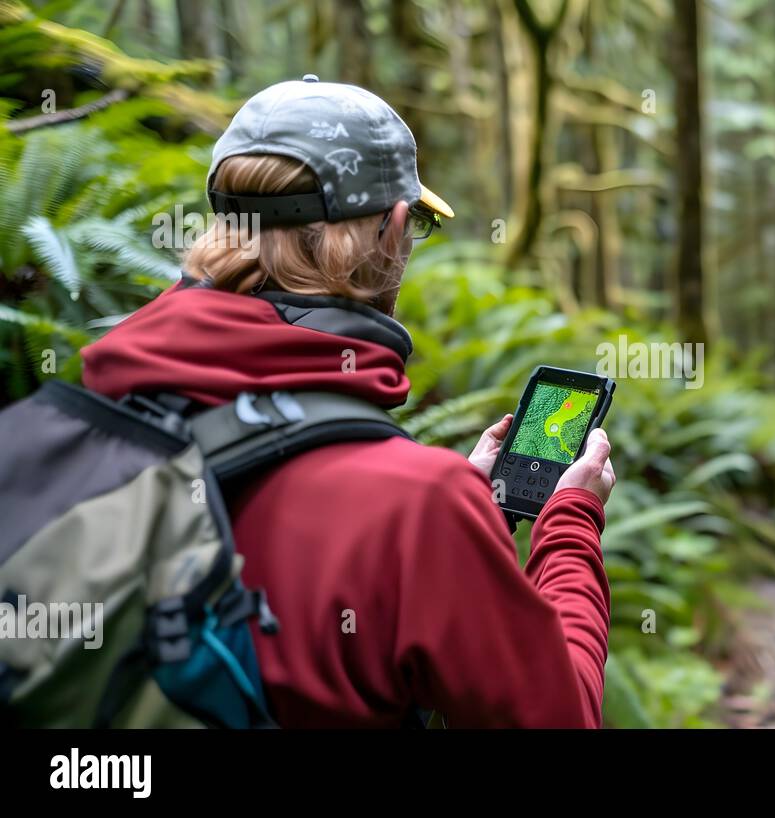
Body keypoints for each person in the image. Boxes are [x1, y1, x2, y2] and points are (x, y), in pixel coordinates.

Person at [79, 76, 615, 728]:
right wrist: (569, 524)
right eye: (416, 222)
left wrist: (462, 519)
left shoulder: (82, 424)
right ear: (391, 231)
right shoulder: (415, 507)